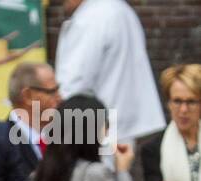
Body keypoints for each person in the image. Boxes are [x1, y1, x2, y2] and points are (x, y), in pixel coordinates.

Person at [55, 0, 163, 145]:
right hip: (122, 125)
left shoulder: (90, 18)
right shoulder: (121, 10)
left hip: (95, 129)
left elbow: (73, 83)